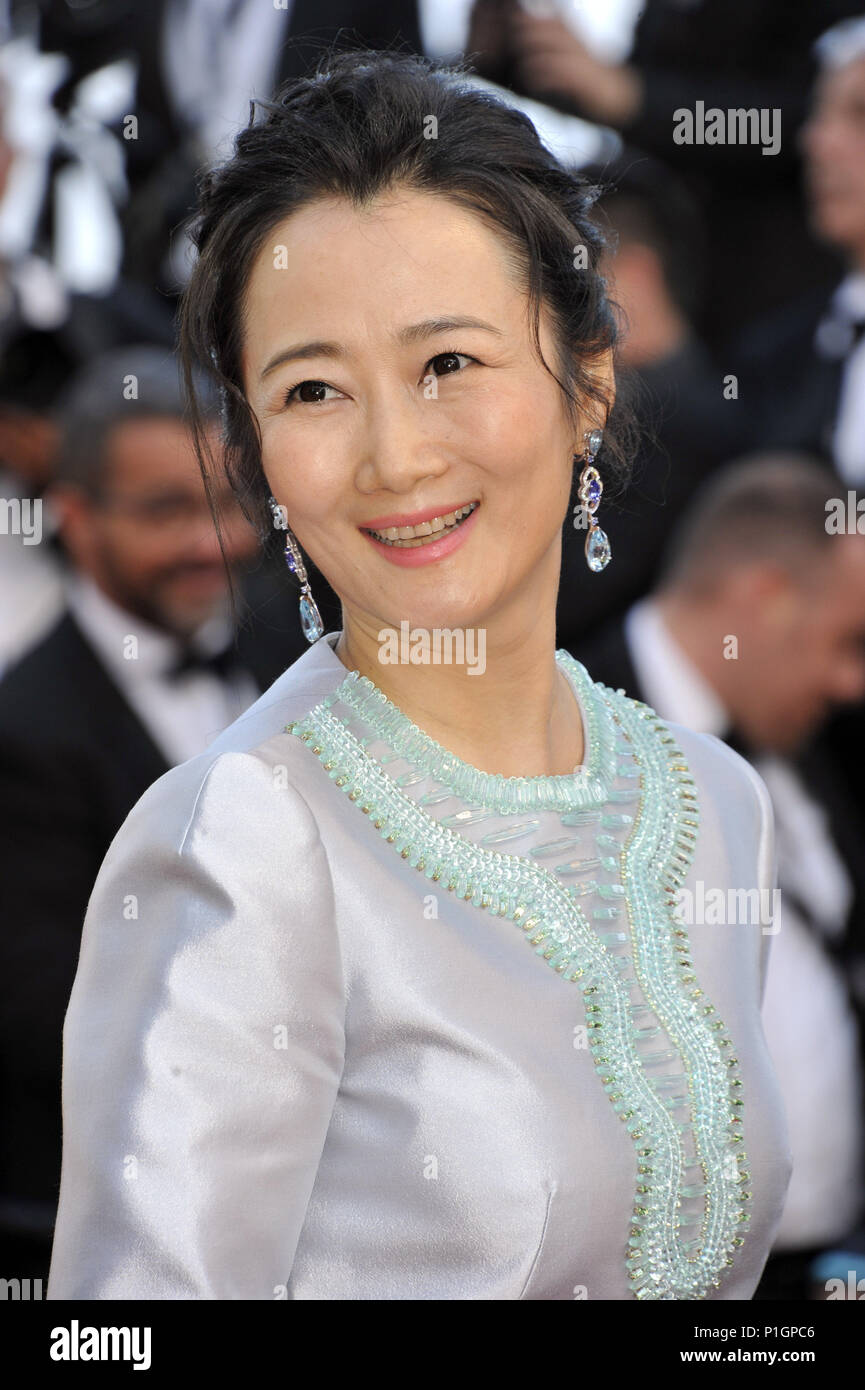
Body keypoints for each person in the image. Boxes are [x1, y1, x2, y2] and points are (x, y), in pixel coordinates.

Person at [46, 48, 791, 1301]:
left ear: (588, 383)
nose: (394, 456)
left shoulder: (714, 804)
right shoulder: (243, 841)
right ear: (261, 450)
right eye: (314, 388)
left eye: (449, 362)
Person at [573, 453, 865, 1298]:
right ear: (765, 597)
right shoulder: (561, 738)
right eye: (847, 643)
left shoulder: (803, 749)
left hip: (819, 1269)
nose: (853, 684)